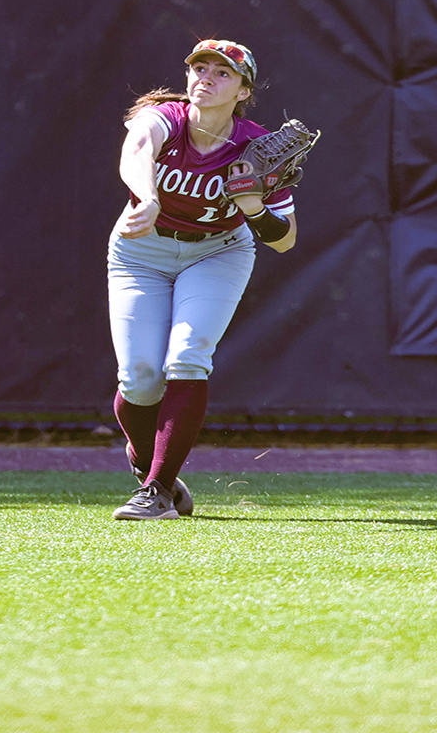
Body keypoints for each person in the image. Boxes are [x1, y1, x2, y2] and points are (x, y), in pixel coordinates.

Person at [106, 38, 300, 520]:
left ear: (242, 91)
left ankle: (156, 491)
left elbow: (286, 240)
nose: (206, 79)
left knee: (188, 356)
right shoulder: (166, 119)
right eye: (199, 69)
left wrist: (253, 205)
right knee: (140, 378)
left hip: (218, 252)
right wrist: (147, 196)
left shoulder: (255, 146)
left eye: (222, 73)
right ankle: (147, 462)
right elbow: (136, 148)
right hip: (141, 251)